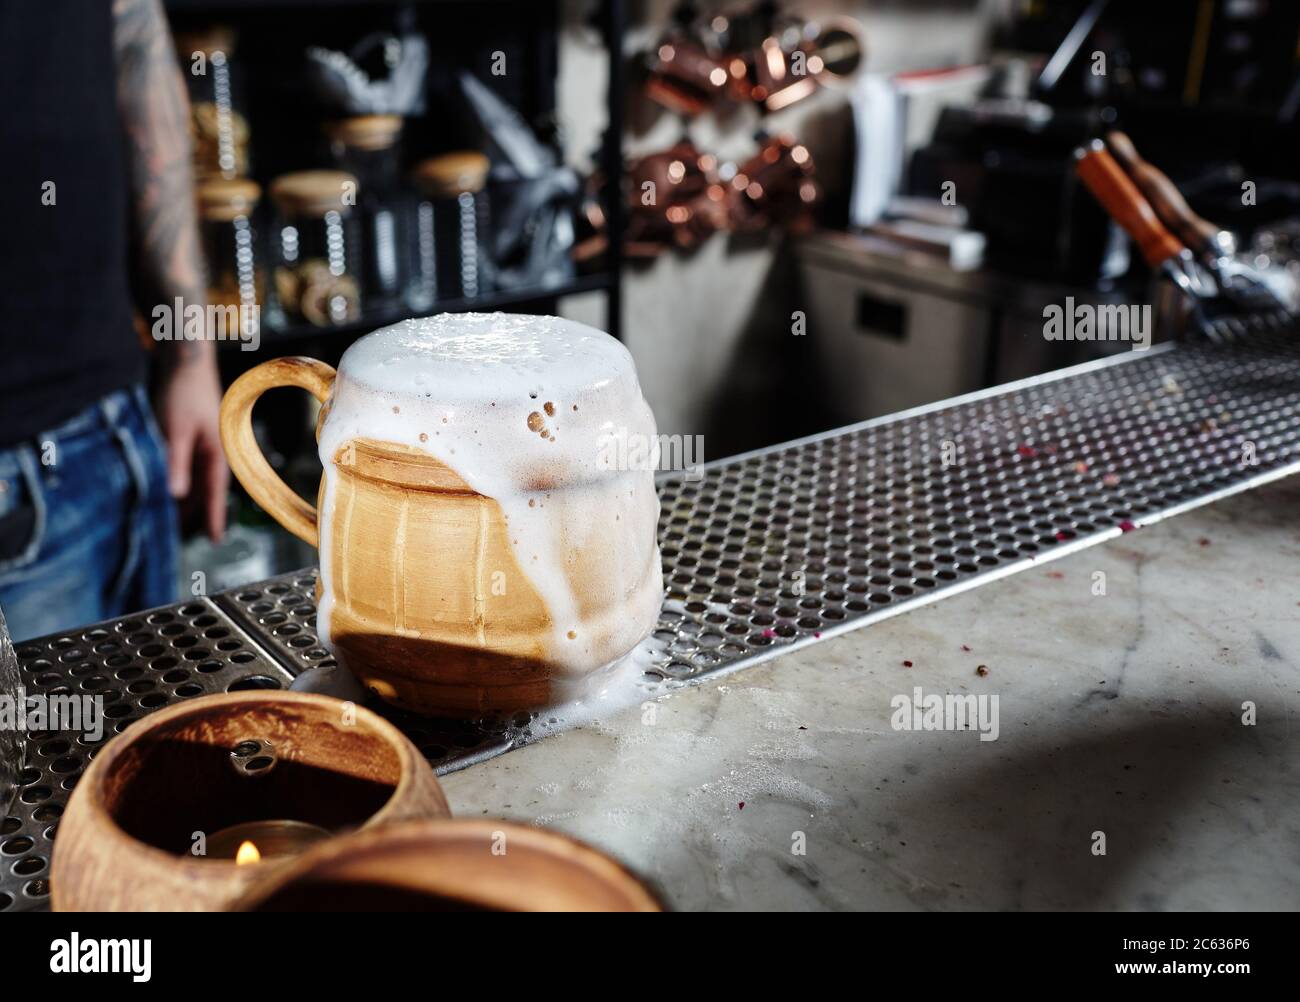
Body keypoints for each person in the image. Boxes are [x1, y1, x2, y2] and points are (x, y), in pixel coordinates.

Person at [0, 0, 228, 641]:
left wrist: (191, 358)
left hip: (123, 424)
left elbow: (135, 39)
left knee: (152, 729)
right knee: (40, 744)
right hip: (11, 488)